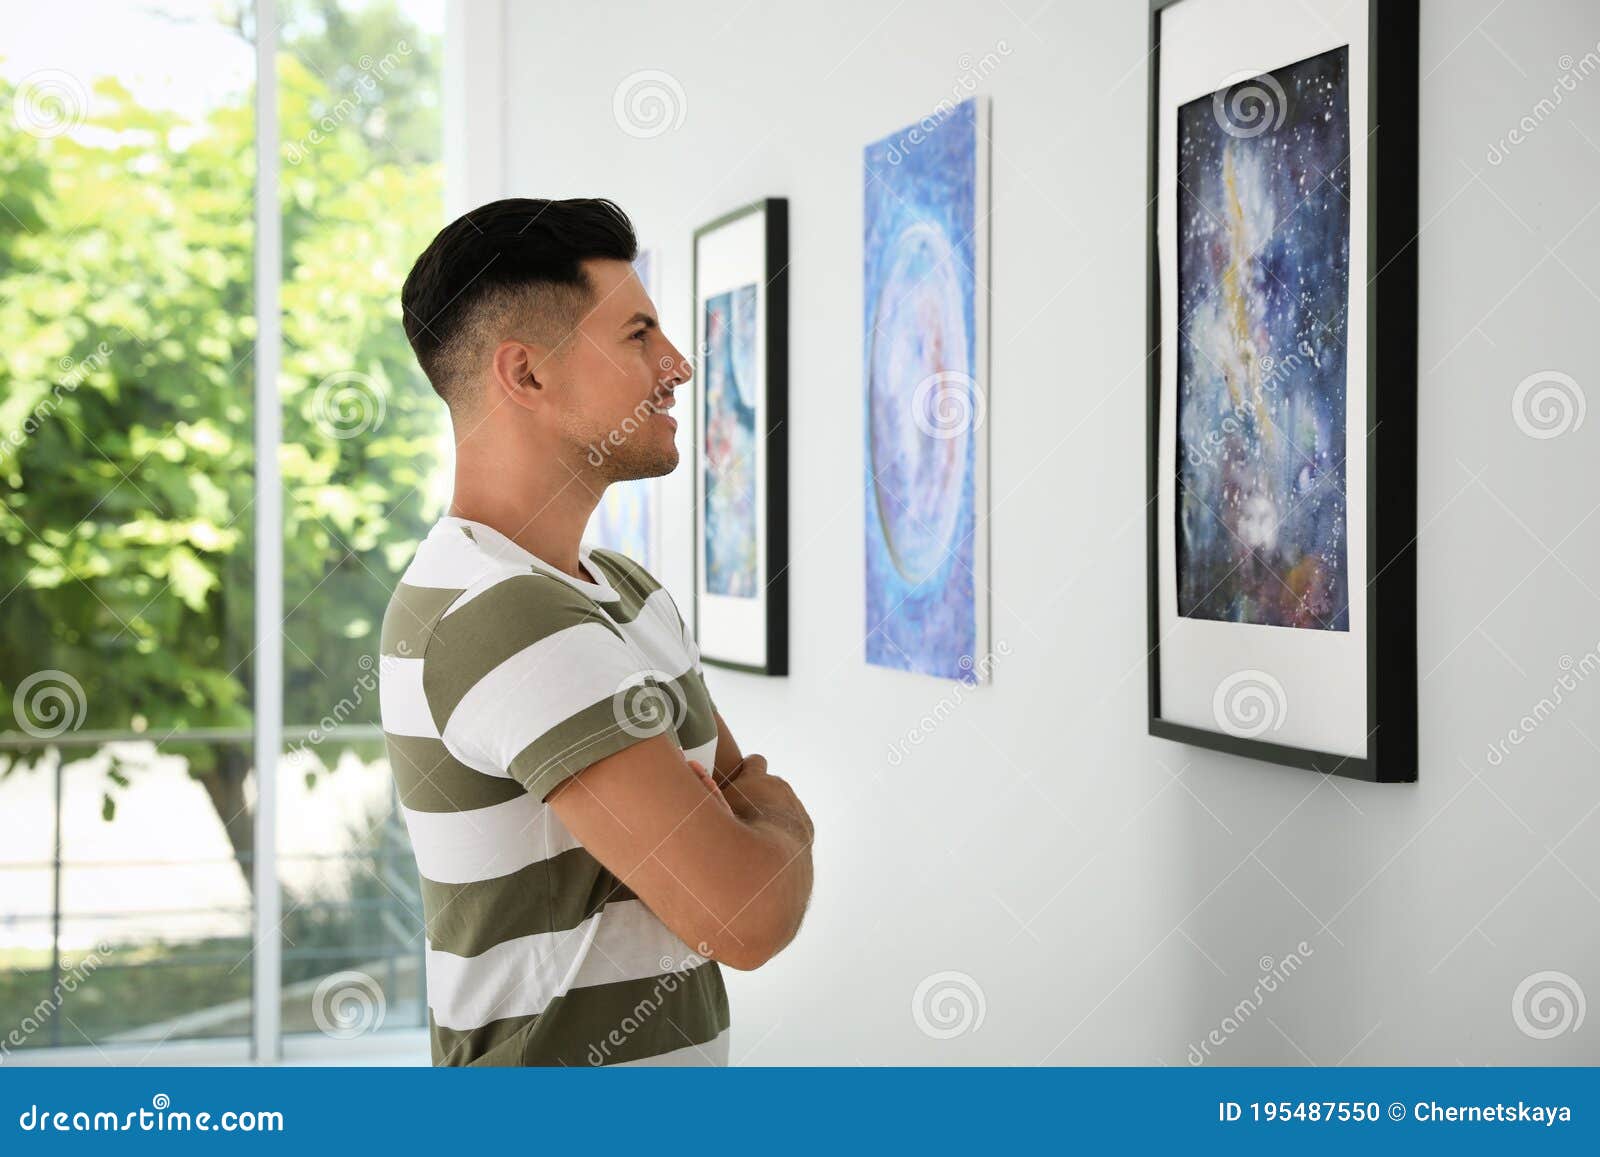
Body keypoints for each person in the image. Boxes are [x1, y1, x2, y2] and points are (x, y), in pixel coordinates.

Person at [378, 197, 814, 1066]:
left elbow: (733, 834)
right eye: (639, 336)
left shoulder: (623, 591)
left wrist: (746, 814)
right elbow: (745, 914)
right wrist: (781, 815)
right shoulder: (504, 614)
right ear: (527, 375)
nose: (679, 365)